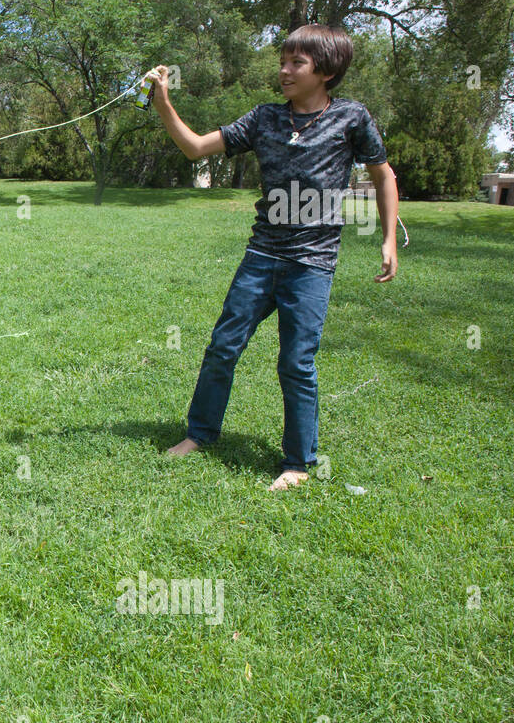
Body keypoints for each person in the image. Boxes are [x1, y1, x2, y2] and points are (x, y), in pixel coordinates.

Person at [145, 24, 399, 491]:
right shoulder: (264, 118)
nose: (283, 71)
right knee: (223, 346)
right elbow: (196, 147)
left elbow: (383, 175)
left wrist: (387, 238)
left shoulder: (352, 118)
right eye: (282, 61)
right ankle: (199, 435)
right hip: (261, 255)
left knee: (296, 361)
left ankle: (298, 462)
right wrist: (163, 102)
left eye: (295, 63)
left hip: (312, 263)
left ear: (325, 71)